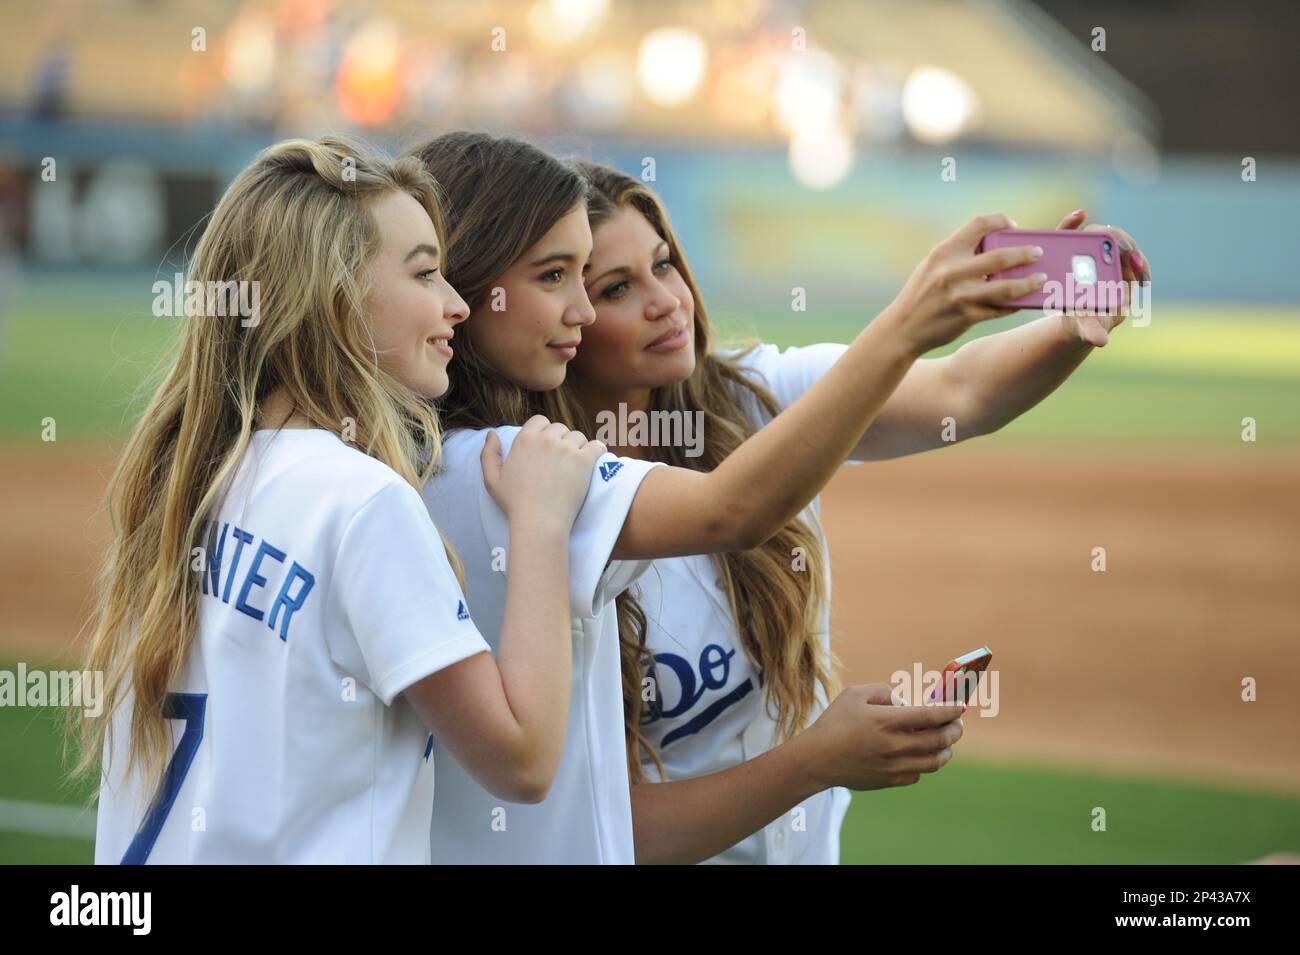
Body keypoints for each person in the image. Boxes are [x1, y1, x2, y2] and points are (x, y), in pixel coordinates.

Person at [80, 136, 604, 863]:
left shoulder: (187, 483)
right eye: (424, 273)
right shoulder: (362, 501)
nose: (455, 304)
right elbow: (522, 759)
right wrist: (542, 524)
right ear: (333, 299)